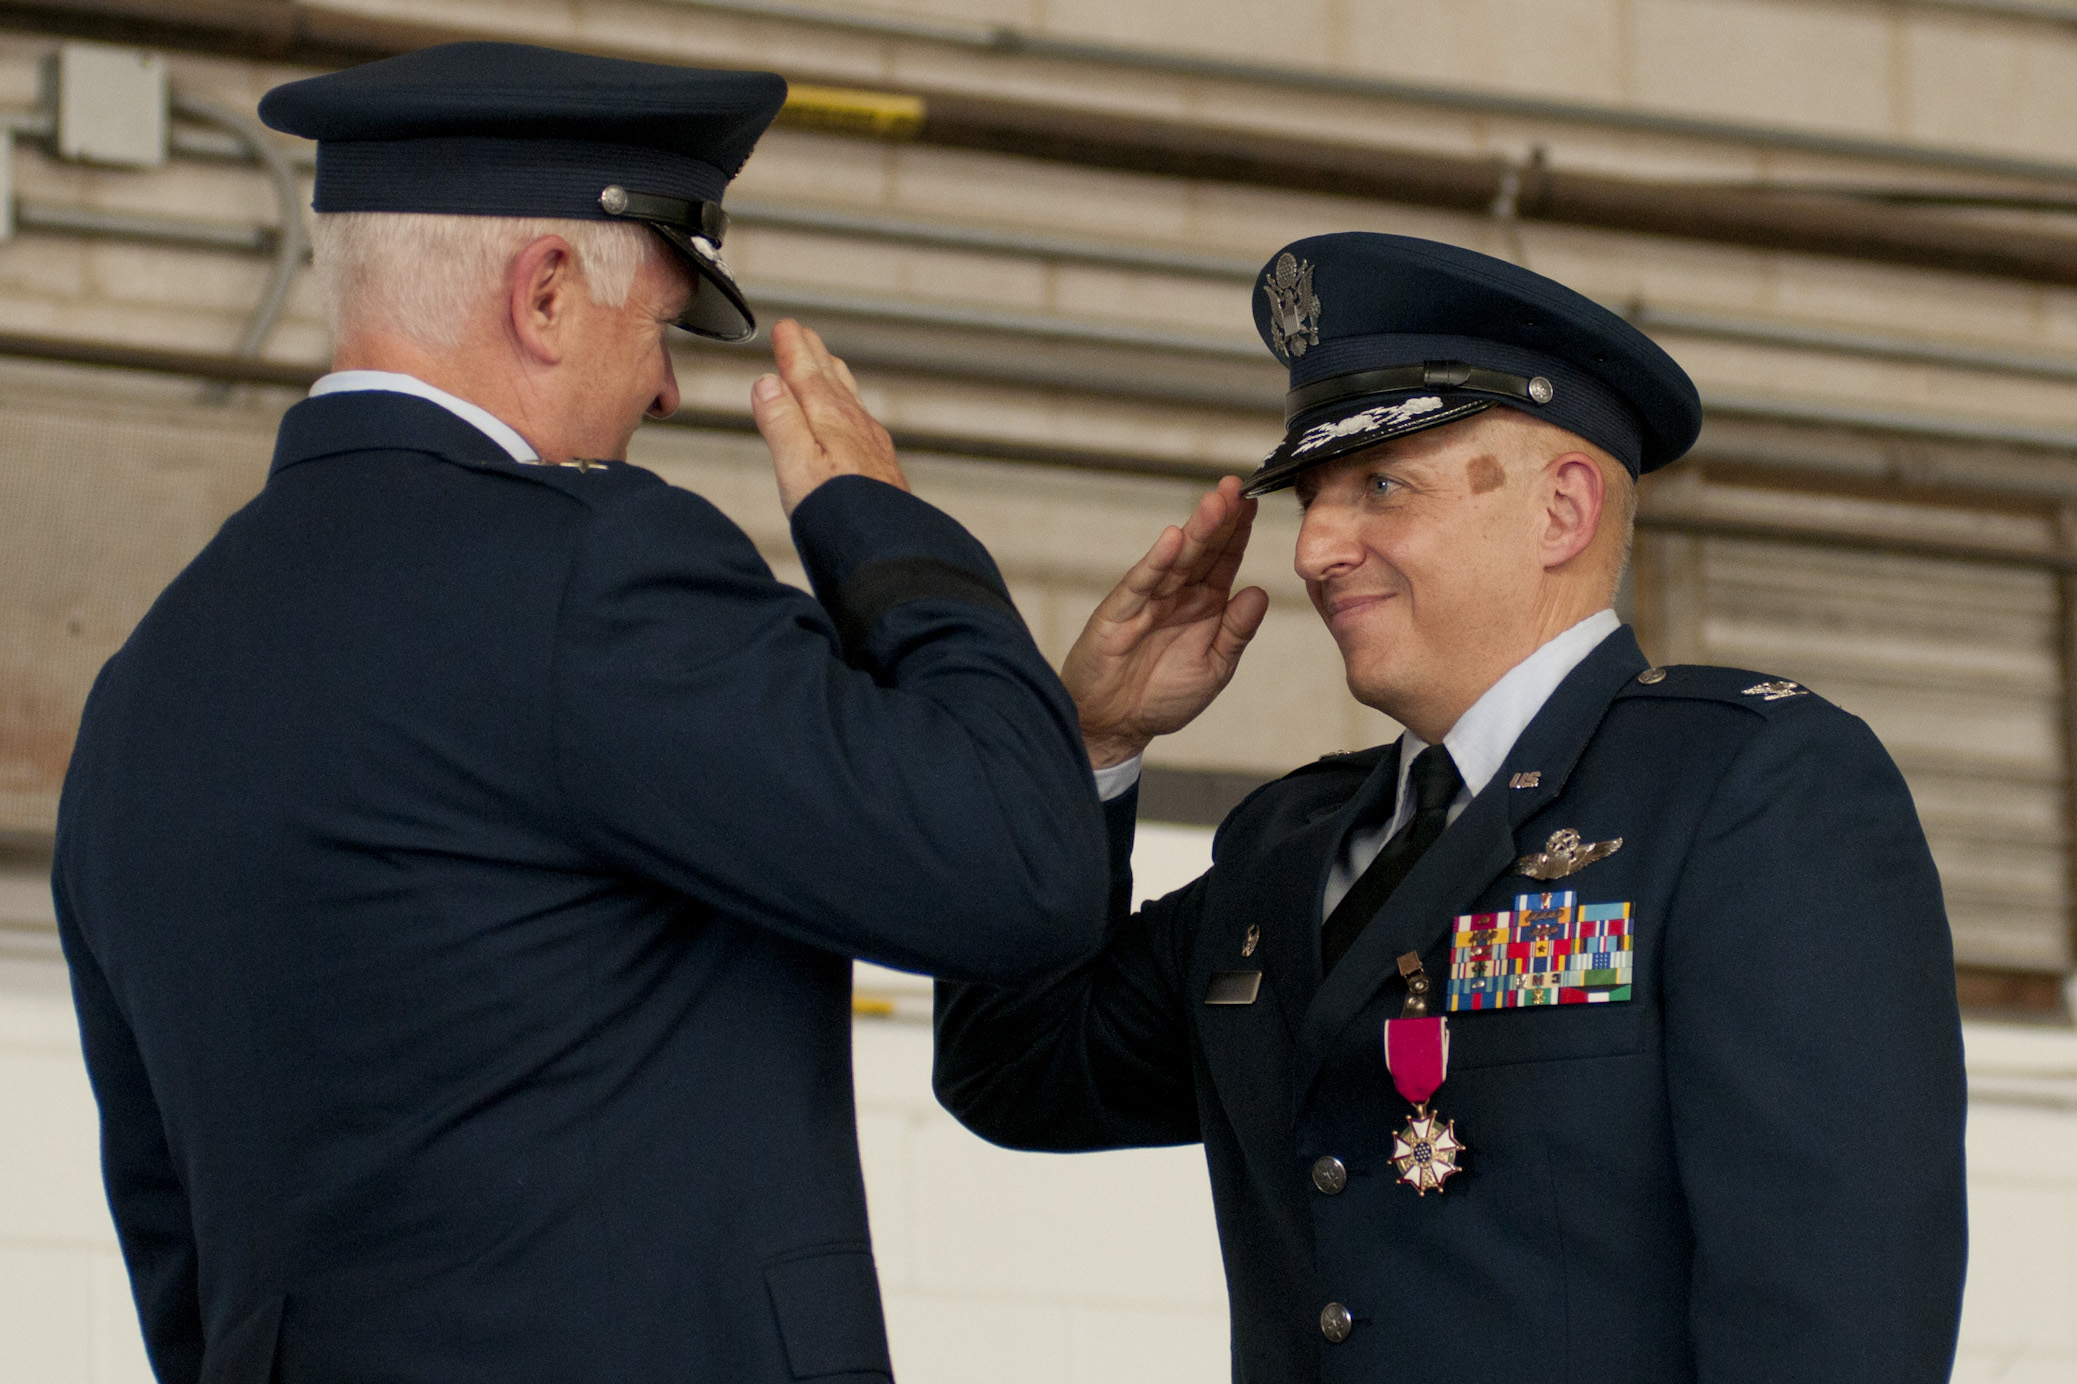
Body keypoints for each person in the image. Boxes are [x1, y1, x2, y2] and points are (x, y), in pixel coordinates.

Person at [53, 42, 1107, 1384]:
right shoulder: (593, 574)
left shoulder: (143, 690)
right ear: (545, 293)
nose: (666, 388)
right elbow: (1019, 870)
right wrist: (874, 522)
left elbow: (181, 1255)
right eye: (659, 325)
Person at [935, 232, 1967, 1384]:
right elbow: (1013, 1066)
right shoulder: (1290, 848)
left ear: (1560, 511)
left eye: (1381, 486)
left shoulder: (1746, 790)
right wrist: (1086, 748)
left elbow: (1835, 1325)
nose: (1316, 549)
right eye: (1311, 498)